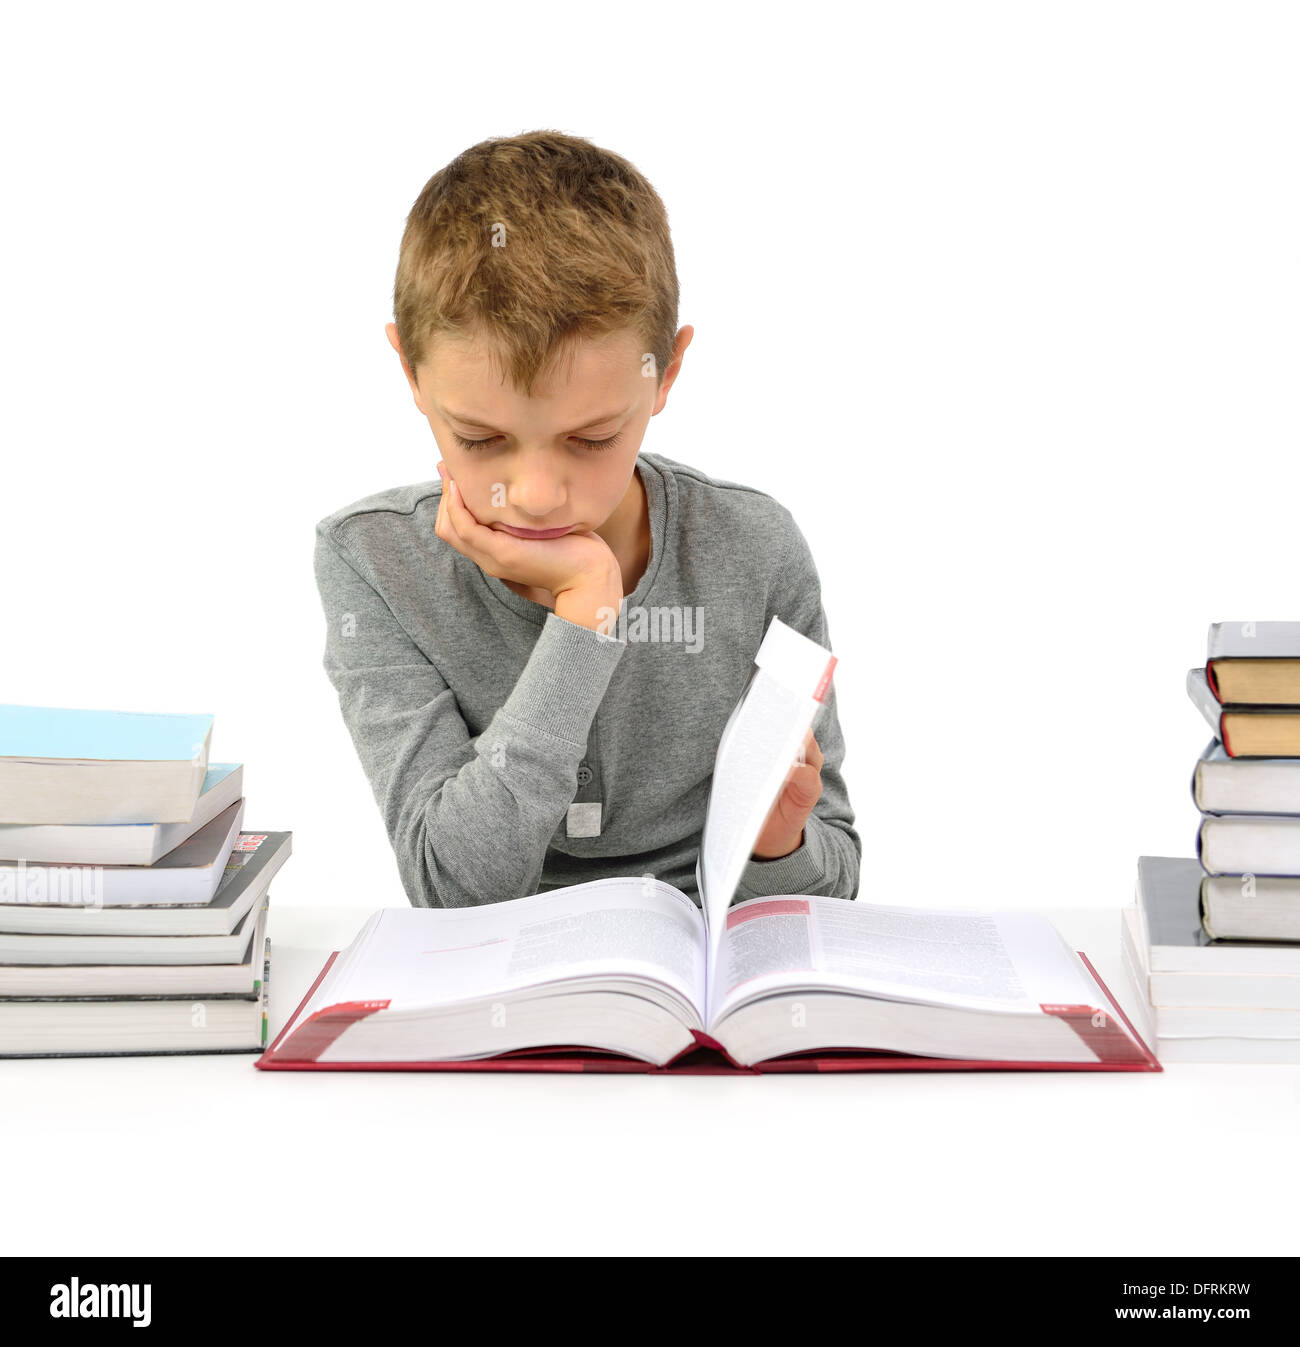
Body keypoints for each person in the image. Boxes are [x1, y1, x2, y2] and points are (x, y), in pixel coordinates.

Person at [314, 129, 861, 909]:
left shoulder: (758, 550)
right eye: (480, 438)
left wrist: (777, 842)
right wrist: (587, 611)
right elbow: (453, 890)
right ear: (410, 371)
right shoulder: (372, 561)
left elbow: (834, 880)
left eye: (591, 439)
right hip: (505, 1000)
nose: (535, 493)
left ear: (666, 372)